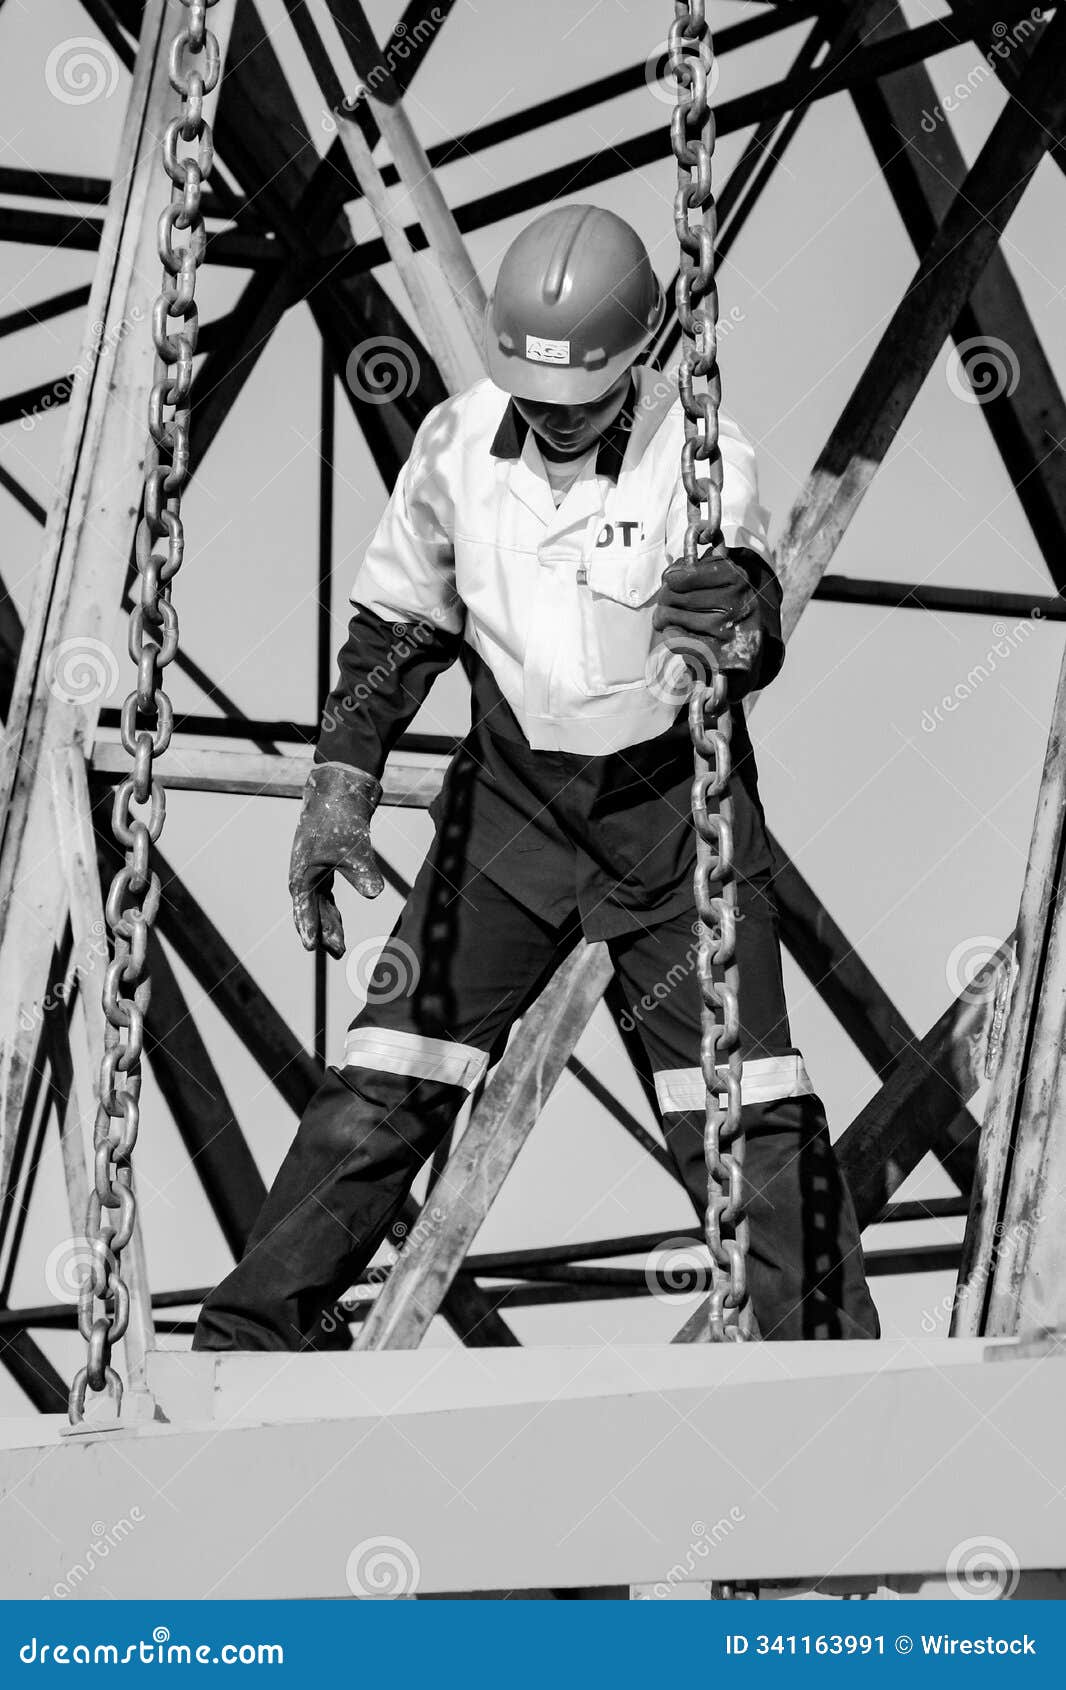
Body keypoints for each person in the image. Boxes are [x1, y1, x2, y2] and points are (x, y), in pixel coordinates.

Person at [194, 204, 879, 1351]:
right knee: (386, 1073)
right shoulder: (459, 447)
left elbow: (745, 599)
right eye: (537, 401)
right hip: (512, 805)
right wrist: (340, 785)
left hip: (669, 812)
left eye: (582, 401)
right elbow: (396, 629)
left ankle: (822, 1367)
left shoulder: (699, 453)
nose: (557, 424)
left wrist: (743, 621)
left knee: (747, 1100)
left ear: (640, 355)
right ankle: (249, 1343)